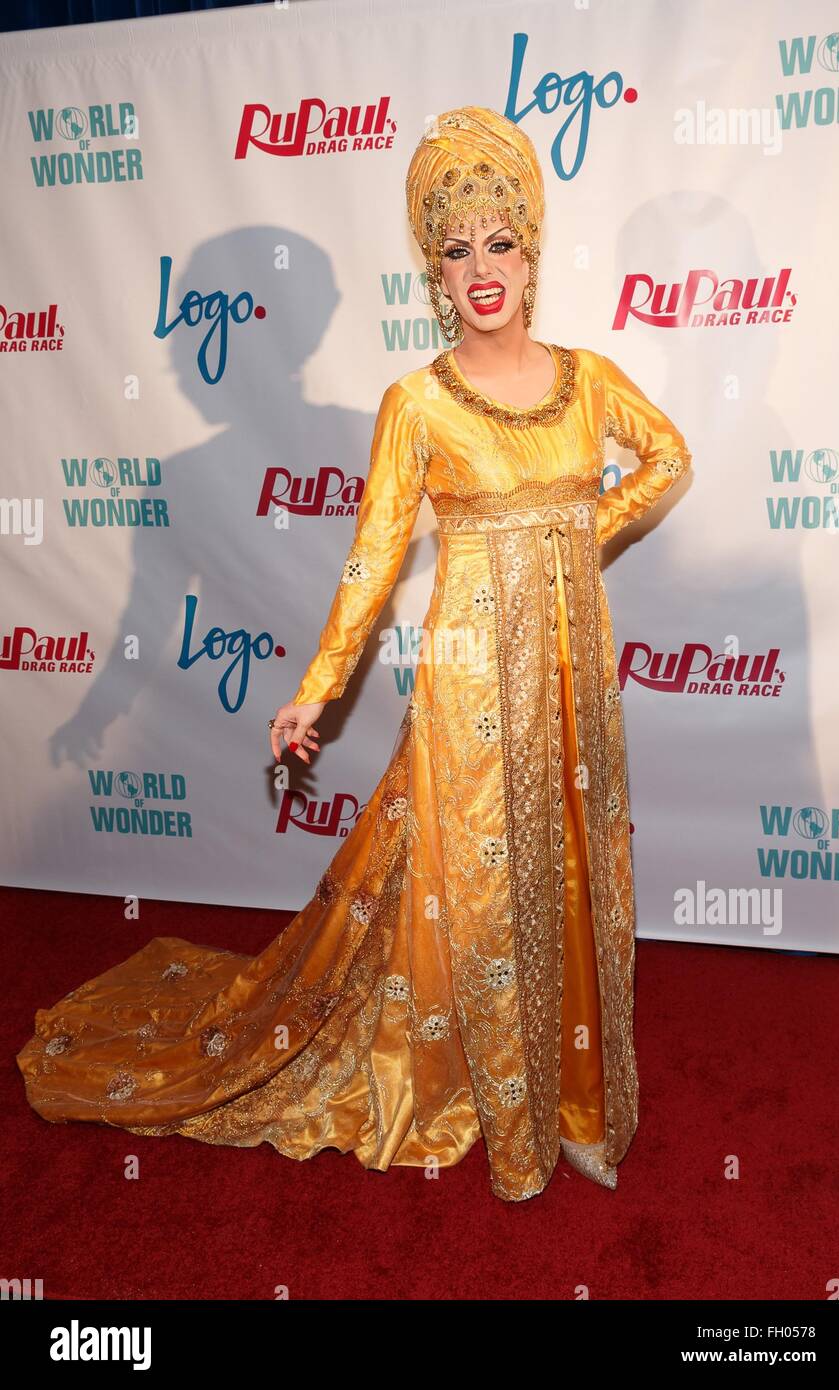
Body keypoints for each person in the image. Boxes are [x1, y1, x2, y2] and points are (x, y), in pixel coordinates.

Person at [16, 106, 692, 1203]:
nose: (481, 268)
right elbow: (372, 560)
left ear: (530, 250)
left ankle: (577, 1106)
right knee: (478, 890)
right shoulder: (415, 401)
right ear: (433, 271)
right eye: (456, 249)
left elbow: (666, 456)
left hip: (575, 670)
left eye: (499, 242)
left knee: (572, 869)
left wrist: (575, 533)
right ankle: (507, 1124)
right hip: (472, 674)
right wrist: (314, 693)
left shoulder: (590, 376)